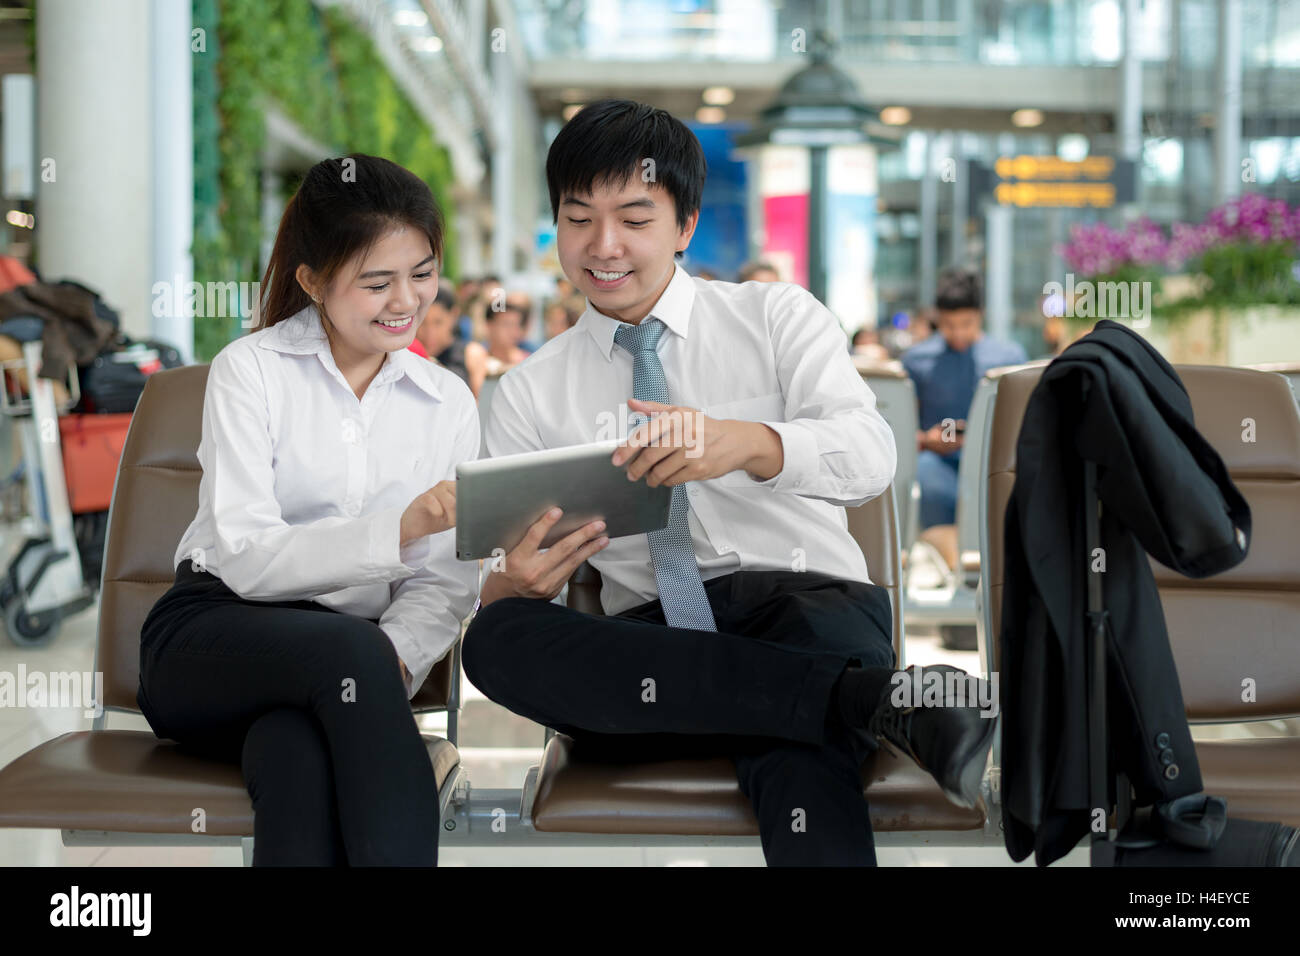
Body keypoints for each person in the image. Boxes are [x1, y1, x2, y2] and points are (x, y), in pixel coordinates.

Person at [462, 99, 996, 867]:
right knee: (498, 640)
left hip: (804, 604)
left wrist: (745, 444)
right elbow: (501, 576)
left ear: (685, 226)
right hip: (654, 642)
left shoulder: (776, 317)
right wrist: (513, 583)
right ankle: (868, 701)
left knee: (798, 756)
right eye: (578, 219)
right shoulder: (526, 393)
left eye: (634, 219)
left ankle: (821, 694)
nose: (603, 246)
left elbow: (870, 456)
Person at [135, 154, 480, 866]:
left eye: (422, 274)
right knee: (346, 657)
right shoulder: (251, 370)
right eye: (376, 282)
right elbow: (247, 557)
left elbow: (445, 582)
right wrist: (399, 529)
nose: (406, 302)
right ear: (314, 281)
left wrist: (384, 662)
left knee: (295, 756)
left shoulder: (447, 401)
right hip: (211, 636)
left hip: (342, 672)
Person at [901, 268, 1027, 530]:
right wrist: (926, 440)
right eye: (949, 325)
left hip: (991, 459)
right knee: (926, 480)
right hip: (938, 463)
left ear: (980, 316)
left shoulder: (1009, 359)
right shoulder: (917, 360)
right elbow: (901, 429)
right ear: (938, 318)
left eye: (966, 324)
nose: (958, 334)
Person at [415, 278, 472, 385]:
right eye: (422, 322)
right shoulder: (404, 355)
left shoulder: (470, 355)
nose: (430, 332)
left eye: (438, 322)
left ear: (454, 315)